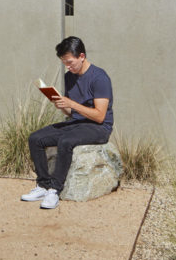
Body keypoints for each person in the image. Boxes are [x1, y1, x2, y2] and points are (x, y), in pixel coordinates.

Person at [21, 36, 113, 209]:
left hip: (99, 128)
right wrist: (61, 105)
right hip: (76, 123)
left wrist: (72, 104)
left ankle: (55, 190)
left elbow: (100, 116)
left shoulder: (100, 78)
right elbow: (73, 112)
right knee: (35, 138)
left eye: (70, 62)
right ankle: (43, 185)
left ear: (82, 56)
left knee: (66, 141)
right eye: (64, 63)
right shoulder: (69, 76)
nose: (68, 67)